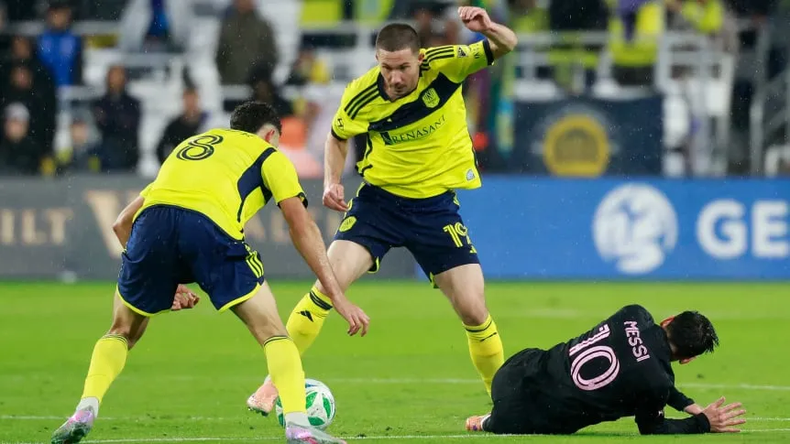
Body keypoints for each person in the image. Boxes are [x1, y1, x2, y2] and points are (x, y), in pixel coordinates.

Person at [247, 6, 518, 415]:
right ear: (377, 61)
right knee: (328, 283)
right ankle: (271, 385)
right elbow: (337, 138)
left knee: (473, 308)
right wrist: (332, 181)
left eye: (403, 68)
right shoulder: (361, 95)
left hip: (435, 208)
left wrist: (488, 28)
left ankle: (506, 404)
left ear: (419, 59)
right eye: (387, 68)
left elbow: (508, 45)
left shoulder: (447, 65)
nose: (394, 78)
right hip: (380, 203)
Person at [51, 102, 368, 444]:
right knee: (273, 332)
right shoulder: (268, 154)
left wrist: (164, 280)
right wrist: (337, 294)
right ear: (271, 135)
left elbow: (120, 223)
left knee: (121, 330)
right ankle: (298, 426)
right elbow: (300, 224)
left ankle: (84, 408)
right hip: (210, 227)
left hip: (151, 225)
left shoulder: (192, 145)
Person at [464, 305, 747, 435]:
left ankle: (494, 411)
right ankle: (486, 422)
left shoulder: (633, 314)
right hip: (517, 421)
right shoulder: (657, 383)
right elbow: (652, 428)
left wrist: (686, 404)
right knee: (563, 408)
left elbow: (640, 360)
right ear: (687, 360)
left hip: (513, 372)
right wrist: (703, 423)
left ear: (668, 320)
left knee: (554, 361)